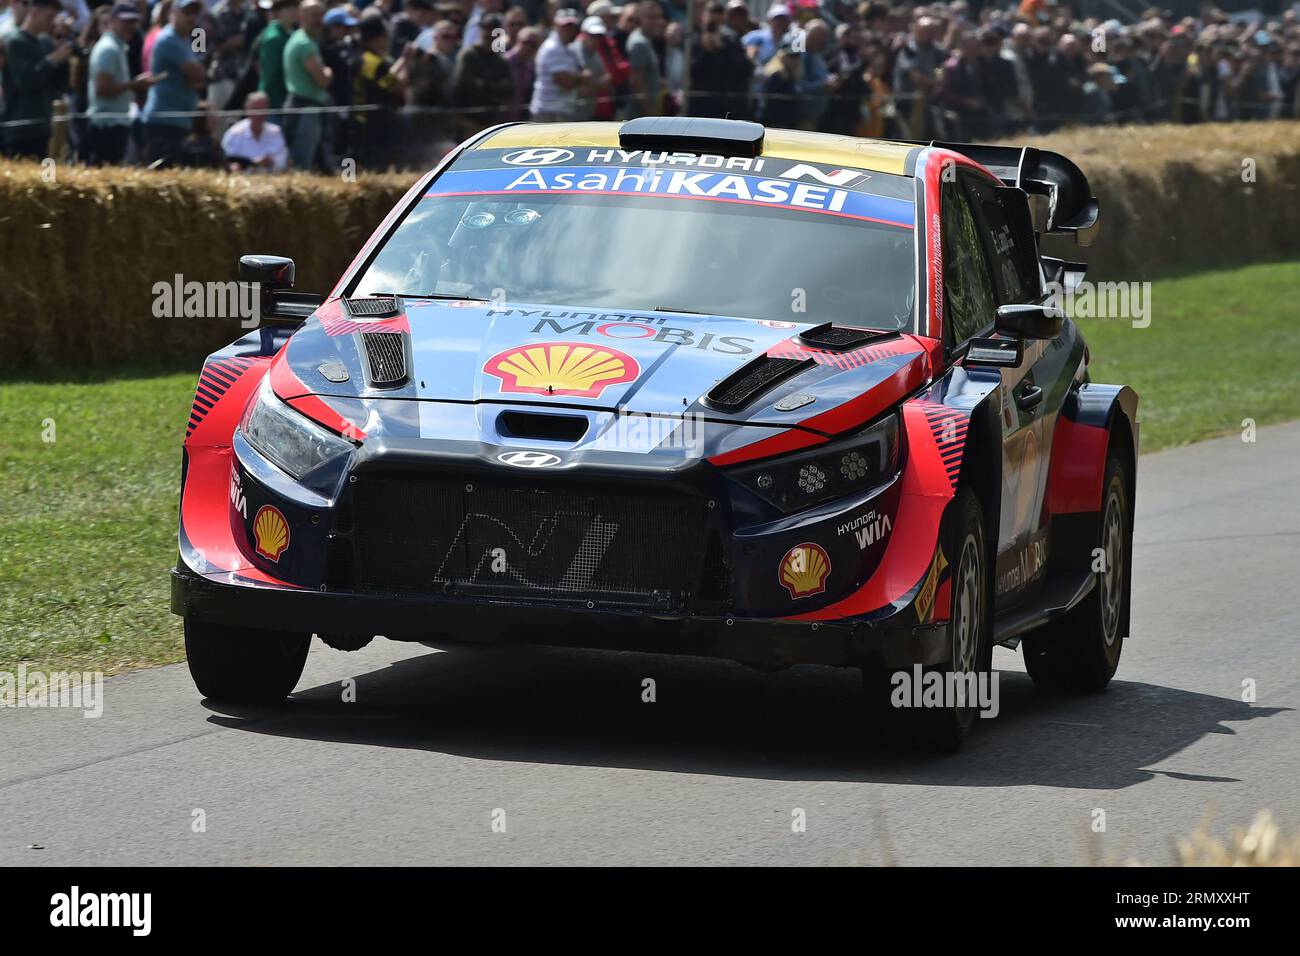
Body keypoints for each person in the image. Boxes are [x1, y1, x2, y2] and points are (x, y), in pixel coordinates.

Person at [86, 2, 156, 164]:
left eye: (133, 21)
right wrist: (134, 85)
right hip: (107, 126)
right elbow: (102, 88)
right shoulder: (109, 49)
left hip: (113, 123)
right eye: (125, 21)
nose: (130, 26)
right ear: (112, 21)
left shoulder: (117, 46)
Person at [0, 0, 71, 158]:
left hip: (43, 127)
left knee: (46, 177)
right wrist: (53, 59)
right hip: (20, 129)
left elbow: (60, 83)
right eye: (49, 17)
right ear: (35, 12)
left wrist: (63, 55)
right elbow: (25, 81)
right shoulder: (15, 41)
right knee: (22, 181)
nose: (52, 22)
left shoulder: (44, 43)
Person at [140, 0, 205, 166]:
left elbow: (201, 77)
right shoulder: (168, 40)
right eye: (186, 12)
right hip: (164, 121)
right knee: (161, 173)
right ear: (173, 13)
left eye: (195, 13)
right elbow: (198, 73)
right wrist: (194, 76)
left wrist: (196, 75)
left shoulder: (191, 37)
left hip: (178, 121)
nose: (191, 17)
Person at [351, 11, 407, 167]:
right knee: (375, 166)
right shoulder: (372, 62)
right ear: (377, 38)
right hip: (370, 126)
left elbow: (386, 77)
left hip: (364, 123)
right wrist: (407, 62)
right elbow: (395, 87)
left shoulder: (363, 57)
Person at [281, 0, 330, 170]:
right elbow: (323, 80)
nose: (318, 19)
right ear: (301, 16)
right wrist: (329, 71)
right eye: (314, 15)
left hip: (305, 108)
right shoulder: (304, 44)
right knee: (303, 165)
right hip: (305, 109)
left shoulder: (303, 39)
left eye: (320, 15)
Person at [452, 12, 513, 129]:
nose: (490, 34)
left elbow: (509, 88)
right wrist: (491, 86)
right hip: (468, 119)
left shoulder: (500, 60)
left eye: (494, 30)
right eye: (486, 29)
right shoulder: (469, 55)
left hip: (492, 120)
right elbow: (462, 86)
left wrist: (485, 85)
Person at [529, 8, 583, 121]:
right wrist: (582, 78)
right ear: (556, 26)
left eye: (571, 26)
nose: (568, 30)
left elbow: (584, 73)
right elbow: (566, 82)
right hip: (548, 113)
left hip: (561, 111)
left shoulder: (571, 47)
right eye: (565, 26)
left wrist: (578, 78)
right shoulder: (552, 48)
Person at [221, 88, 286, 169]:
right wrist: (253, 164)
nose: (258, 114)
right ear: (247, 110)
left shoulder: (275, 132)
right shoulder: (234, 133)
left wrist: (272, 162)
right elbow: (228, 160)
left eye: (262, 109)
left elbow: (283, 161)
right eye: (255, 109)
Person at [624, 0, 663, 115]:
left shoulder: (646, 40)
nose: (657, 22)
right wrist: (650, 112)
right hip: (638, 116)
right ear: (639, 19)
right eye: (651, 18)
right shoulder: (639, 43)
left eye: (658, 17)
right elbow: (636, 81)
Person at [256, 0, 296, 111]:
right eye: (287, 7)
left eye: (294, 6)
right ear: (277, 12)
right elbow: (268, 75)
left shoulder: (292, 33)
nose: (292, 11)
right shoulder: (274, 37)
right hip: (275, 104)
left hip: (287, 100)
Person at [569, 14, 610, 120]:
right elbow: (585, 77)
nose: (596, 39)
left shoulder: (594, 53)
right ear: (584, 34)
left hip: (586, 113)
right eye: (593, 35)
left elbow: (607, 78)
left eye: (599, 36)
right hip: (571, 114)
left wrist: (591, 85)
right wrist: (595, 84)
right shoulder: (573, 50)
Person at [503, 22, 538, 119]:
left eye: (533, 45)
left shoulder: (530, 67)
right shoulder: (504, 62)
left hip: (518, 117)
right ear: (518, 40)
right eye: (526, 42)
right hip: (499, 117)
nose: (528, 47)